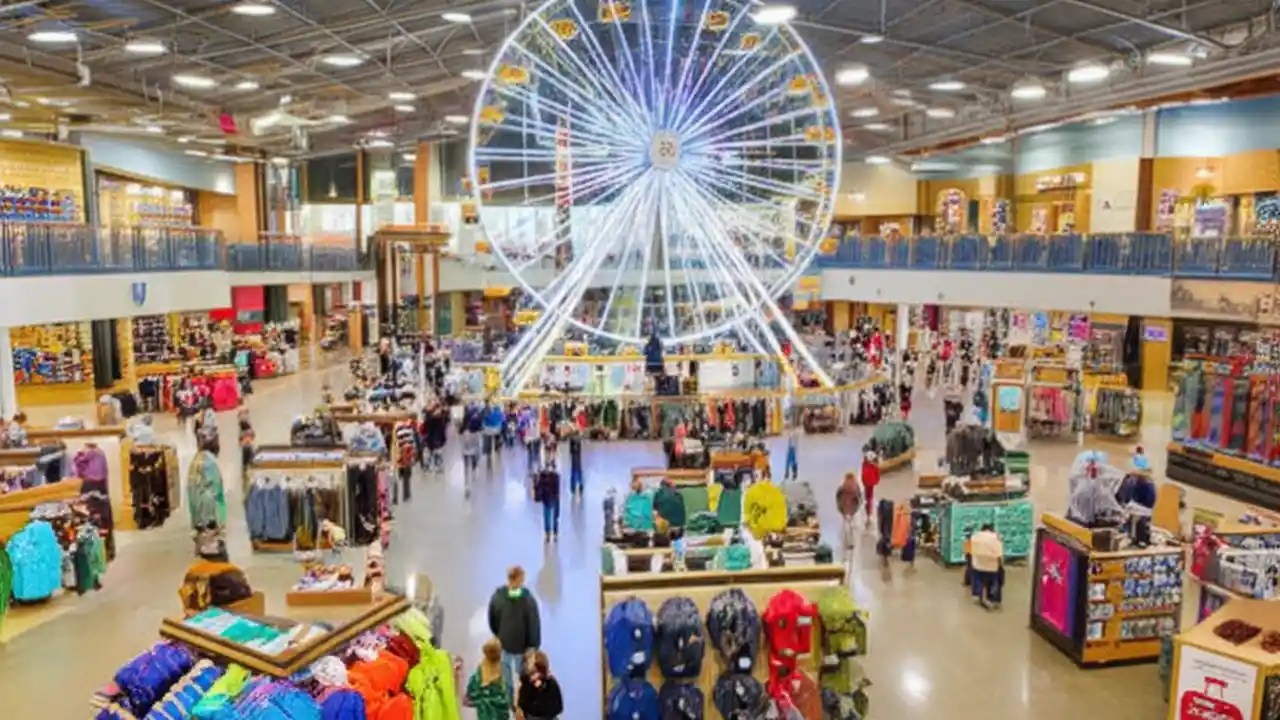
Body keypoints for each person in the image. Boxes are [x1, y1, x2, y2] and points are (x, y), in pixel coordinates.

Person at [488, 566, 541, 701]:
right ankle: (521, 702)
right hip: (521, 646)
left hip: (505, 644)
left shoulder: (498, 597)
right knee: (523, 676)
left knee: (507, 679)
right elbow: (533, 623)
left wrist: (498, 635)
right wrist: (533, 646)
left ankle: (511, 701)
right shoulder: (528, 600)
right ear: (520, 579)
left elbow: (492, 618)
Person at [466, 638, 511, 720]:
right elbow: (509, 696)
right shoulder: (505, 669)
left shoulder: (480, 672)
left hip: (484, 715)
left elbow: (470, 696)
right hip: (501, 716)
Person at [517, 650, 564, 720]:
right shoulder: (526, 684)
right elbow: (522, 703)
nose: (533, 677)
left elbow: (558, 708)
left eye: (535, 673)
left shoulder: (551, 684)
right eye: (530, 674)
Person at [969, 523, 1004, 609]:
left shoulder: (975, 536)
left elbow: (969, 550)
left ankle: (977, 595)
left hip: (977, 564)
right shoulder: (996, 538)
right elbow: (999, 554)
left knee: (978, 580)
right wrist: (1001, 565)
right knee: (993, 583)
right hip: (991, 566)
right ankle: (991, 599)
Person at [835, 472, 864, 552]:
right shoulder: (856, 486)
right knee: (852, 525)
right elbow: (859, 498)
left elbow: (838, 497)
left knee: (846, 525)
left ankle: (848, 542)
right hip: (853, 509)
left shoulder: (842, 486)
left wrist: (839, 508)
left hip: (844, 507)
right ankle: (852, 542)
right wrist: (857, 508)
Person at [534, 459, 562, 542]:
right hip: (554, 494)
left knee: (547, 515)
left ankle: (548, 533)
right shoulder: (556, 475)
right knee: (554, 516)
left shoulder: (543, 474)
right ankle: (554, 532)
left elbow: (538, 485)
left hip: (547, 495)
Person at [860, 450, 880, 528]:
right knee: (869, 499)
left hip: (868, 484)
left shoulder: (865, 465)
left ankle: (868, 514)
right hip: (869, 484)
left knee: (868, 499)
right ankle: (869, 514)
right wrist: (876, 481)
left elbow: (863, 474)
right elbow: (877, 475)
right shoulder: (873, 466)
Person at [462, 429, 481, 498]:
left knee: (466, 468)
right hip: (474, 453)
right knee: (473, 468)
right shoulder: (477, 434)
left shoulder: (465, 433)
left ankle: (467, 486)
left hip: (465, 453)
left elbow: (463, 443)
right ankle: (473, 474)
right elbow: (478, 447)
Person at [238, 415, 255, 485]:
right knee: (251, 462)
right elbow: (253, 437)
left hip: (244, 449)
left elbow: (240, 442)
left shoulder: (241, 433)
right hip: (250, 448)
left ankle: (244, 478)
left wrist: (243, 442)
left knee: (244, 465)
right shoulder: (251, 431)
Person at [567, 429, 584, 499]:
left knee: (573, 472)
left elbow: (570, 451)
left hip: (574, 458)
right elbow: (579, 449)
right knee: (579, 471)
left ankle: (573, 487)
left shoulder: (572, 440)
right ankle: (580, 486)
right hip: (578, 457)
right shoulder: (579, 440)